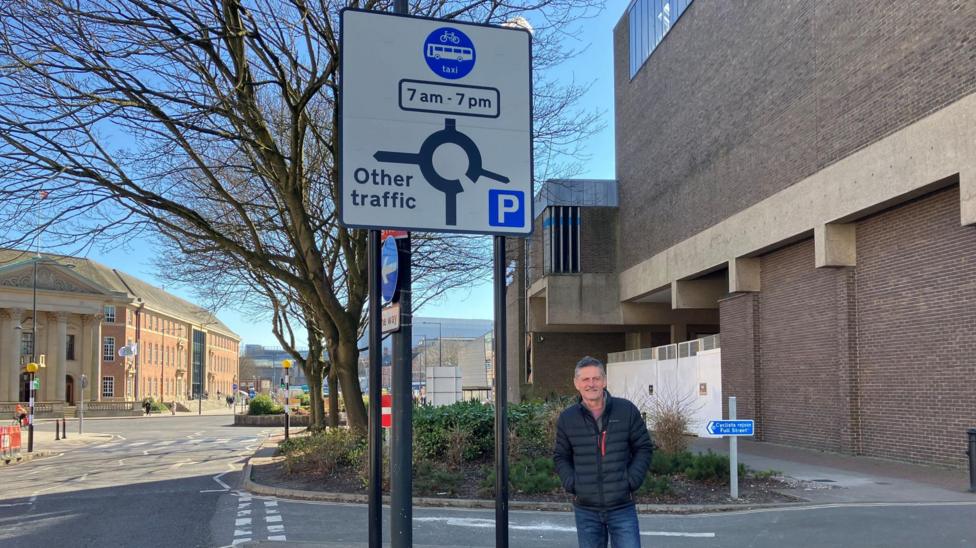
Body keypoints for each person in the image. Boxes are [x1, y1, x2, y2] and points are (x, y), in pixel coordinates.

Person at [554, 356, 654, 548]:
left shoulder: (626, 410)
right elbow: (561, 456)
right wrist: (572, 483)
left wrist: (631, 480)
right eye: (585, 379)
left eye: (596, 378)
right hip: (586, 509)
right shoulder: (568, 418)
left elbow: (643, 447)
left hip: (622, 506)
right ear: (576, 383)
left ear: (604, 381)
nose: (591, 384)